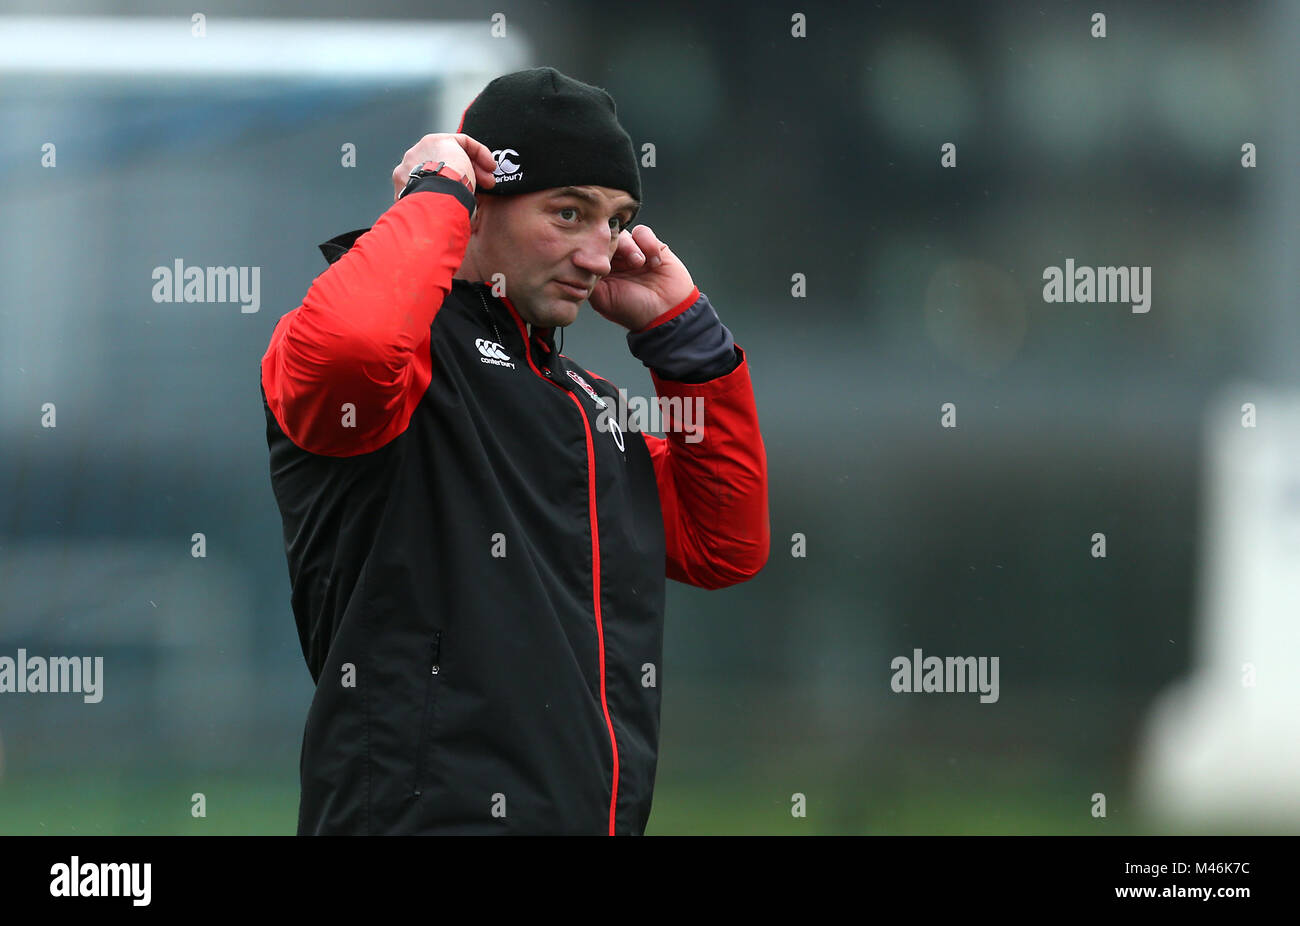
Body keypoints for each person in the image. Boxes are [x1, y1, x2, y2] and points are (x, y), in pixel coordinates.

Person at [260, 66, 769, 835]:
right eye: (568, 213)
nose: (599, 255)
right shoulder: (400, 365)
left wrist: (687, 345)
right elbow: (356, 347)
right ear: (476, 205)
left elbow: (721, 540)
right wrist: (434, 194)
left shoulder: (586, 400)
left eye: (616, 220)